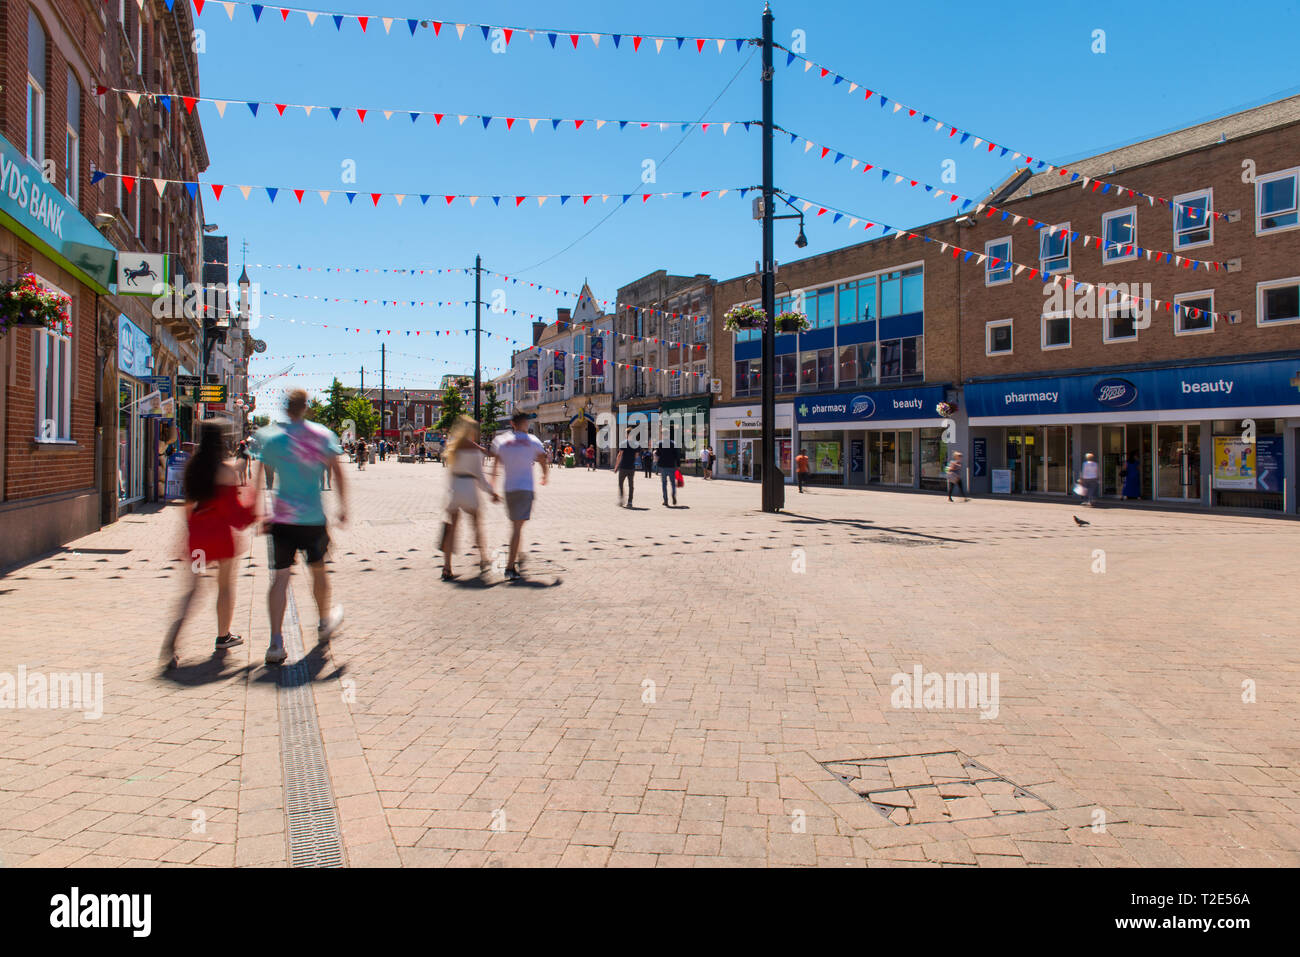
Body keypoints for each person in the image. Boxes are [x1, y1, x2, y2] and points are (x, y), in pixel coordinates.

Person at [252, 389, 348, 666]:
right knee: (318, 572)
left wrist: (259, 511)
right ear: (306, 407)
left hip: (282, 518)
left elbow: (258, 475)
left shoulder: (272, 438)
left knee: (280, 579)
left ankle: (275, 642)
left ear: (285, 409)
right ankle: (322, 621)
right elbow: (338, 471)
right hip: (312, 518)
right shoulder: (321, 435)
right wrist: (343, 508)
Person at [160, 423, 258, 669]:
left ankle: (172, 643)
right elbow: (236, 515)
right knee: (224, 586)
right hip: (221, 539)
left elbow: (187, 508)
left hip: (199, 540)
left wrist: (192, 531)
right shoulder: (225, 471)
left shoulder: (193, 468)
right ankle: (223, 636)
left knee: (193, 590)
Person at [490, 412, 550, 580]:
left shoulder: (501, 441)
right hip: (525, 488)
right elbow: (542, 460)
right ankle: (510, 567)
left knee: (517, 525)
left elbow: (495, 465)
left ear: (512, 423)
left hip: (509, 489)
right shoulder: (532, 440)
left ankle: (519, 554)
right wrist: (545, 476)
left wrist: (492, 487)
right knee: (517, 528)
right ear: (525, 424)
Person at [440, 416, 499, 580]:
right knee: (476, 526)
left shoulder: (453, 447)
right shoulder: (474, 451)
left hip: (455, 489)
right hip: (469, 488)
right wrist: (492, 492)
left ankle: (447, 567)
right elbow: (480, 478)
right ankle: (483, 558)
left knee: (451, 529)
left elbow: (449, 474)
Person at [655, 434, 681, 507]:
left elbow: (658, 454)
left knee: (664, 483)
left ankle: (665, 500)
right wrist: (678, 465)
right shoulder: (673, 443)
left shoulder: (660, 443)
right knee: (672, 482)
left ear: (663, 435)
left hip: (663, 466)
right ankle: (673, 494)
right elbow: (677, 455)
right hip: (671, 466)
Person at [616, 441, 640, 507]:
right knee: (631, 485)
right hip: (631, 467)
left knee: (620, 483)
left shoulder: (623, 443)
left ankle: (621, 499)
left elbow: (619, 455)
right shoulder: (636, 444)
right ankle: (630, 502)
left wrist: (616, 467)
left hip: (623, 467)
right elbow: (636, 456)